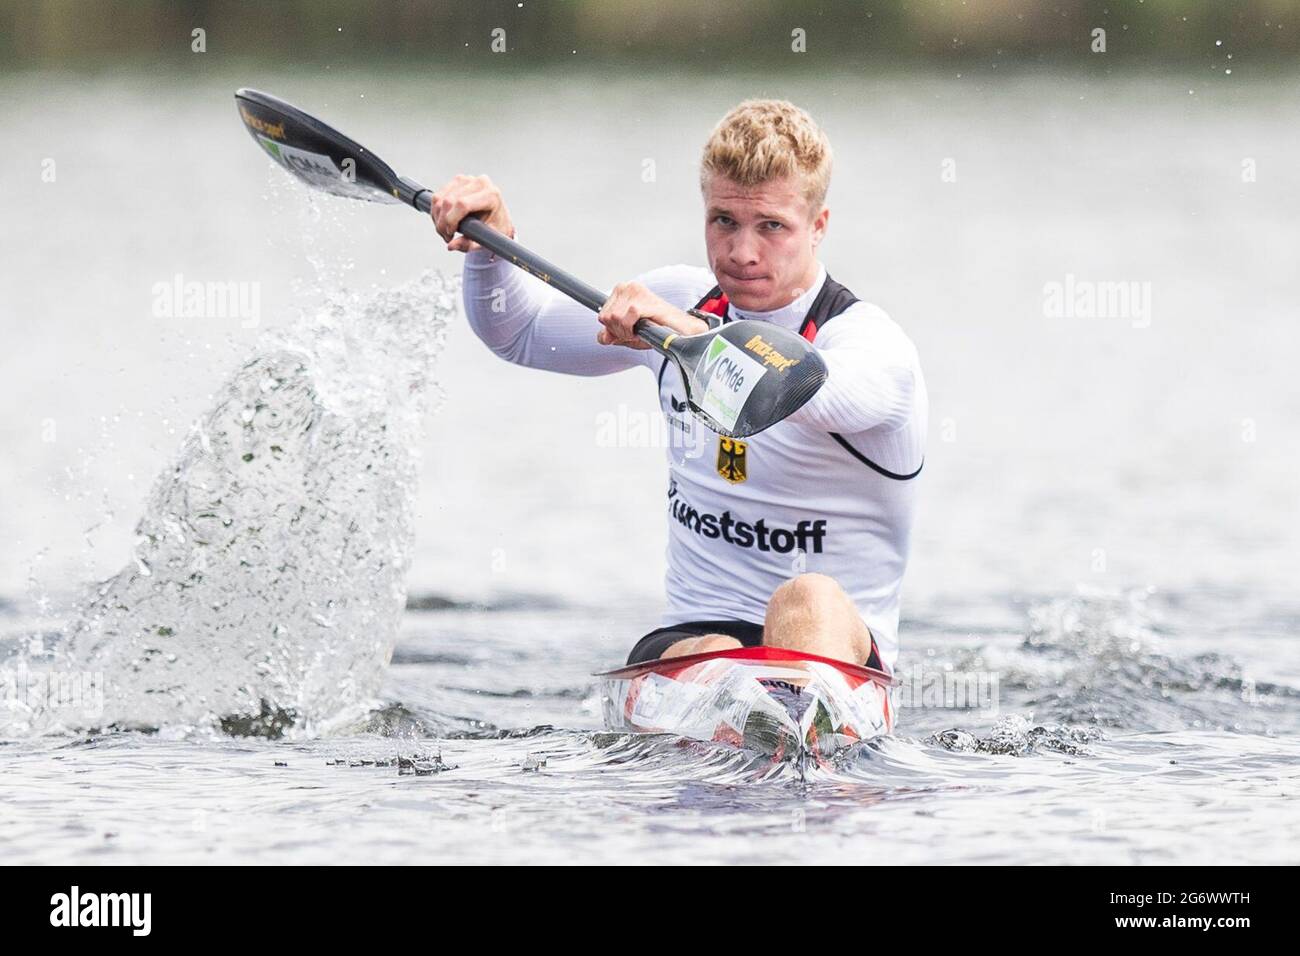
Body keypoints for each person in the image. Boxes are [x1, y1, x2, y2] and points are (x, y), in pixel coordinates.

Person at [430, 99, 926, 673]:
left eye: (772, 227)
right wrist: (491, 245)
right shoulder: (679, 298)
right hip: (697, 637)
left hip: (832, 649)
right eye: (724, 221)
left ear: (818, 227)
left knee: (806, 596)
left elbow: (802, 387)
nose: (741, 253)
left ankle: (787, 729)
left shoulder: (873, 347)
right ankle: (743, 727)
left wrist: (689, 332)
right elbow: (520, 333)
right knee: (716, 656)